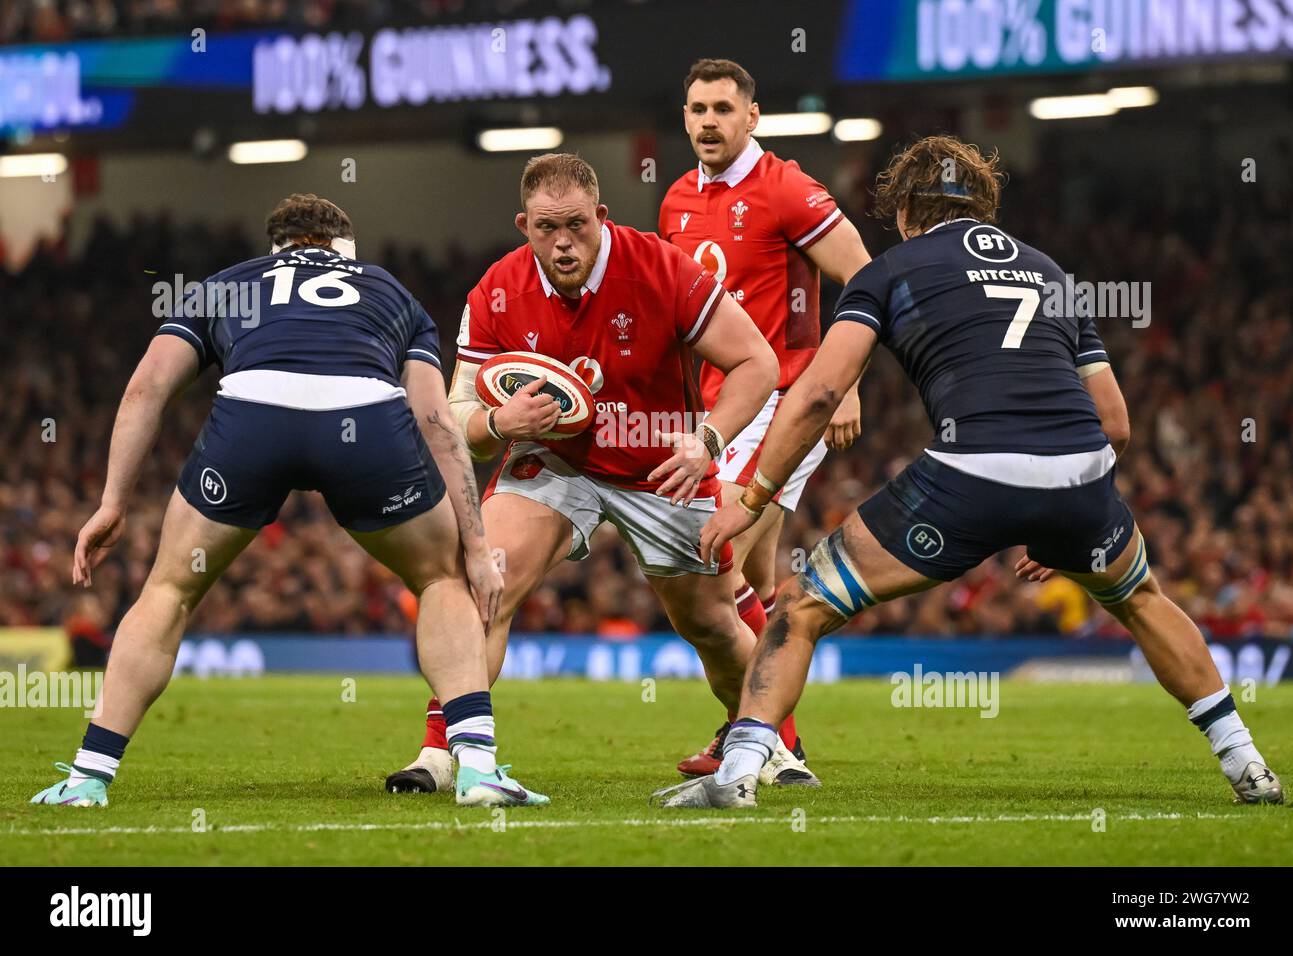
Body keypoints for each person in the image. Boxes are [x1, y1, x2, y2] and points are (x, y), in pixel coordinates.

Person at [652, 136, 1284, 808]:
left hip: (970, 472)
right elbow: (1117, 424)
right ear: (983, 202)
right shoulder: (1049, 272)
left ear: (903, 211)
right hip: (1079, 477)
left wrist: (751, 498)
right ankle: (1247, 764)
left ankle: (737, 776)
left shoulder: (891, 269)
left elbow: (815, 395)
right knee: (1142, 599)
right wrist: (1058, 515)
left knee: (803, 606)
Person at [31, 193, 547, 809]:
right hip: (365, 419)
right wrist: (477, 545)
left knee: (169, 589)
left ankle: (88, 778)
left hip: (253, 416)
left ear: (274, 249)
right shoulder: (388, 289)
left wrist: (112, 502)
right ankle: (479, 772)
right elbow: (435, 419)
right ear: (345, 249)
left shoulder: (229, 283)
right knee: (441, 580)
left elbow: (148, 386)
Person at [384, 154, 779, 793]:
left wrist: (709, 440)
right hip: (557, 461)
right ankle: (445, 750)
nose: (562, 242)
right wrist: (499, 423)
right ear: (524, 225)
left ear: (602, 216)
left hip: (661, 464)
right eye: (545, 228)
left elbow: (757, 362)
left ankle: (765, 741)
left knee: (709, 623)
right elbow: (454, 418)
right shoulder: (496, 291)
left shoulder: (663, 268)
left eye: (576, 225)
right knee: (484, 582)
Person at [660, 58, 873, 783]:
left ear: (752, 116)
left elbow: (865, 276)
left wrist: (842, 382)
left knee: (706, 570)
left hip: (786, 399)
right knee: (748, 575)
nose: (709, 121)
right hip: (722, 409)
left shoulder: (784, 186)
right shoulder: (677, 202)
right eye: (697, 109)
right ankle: (779, 741)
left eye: (723, 107)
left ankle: (751, 733)